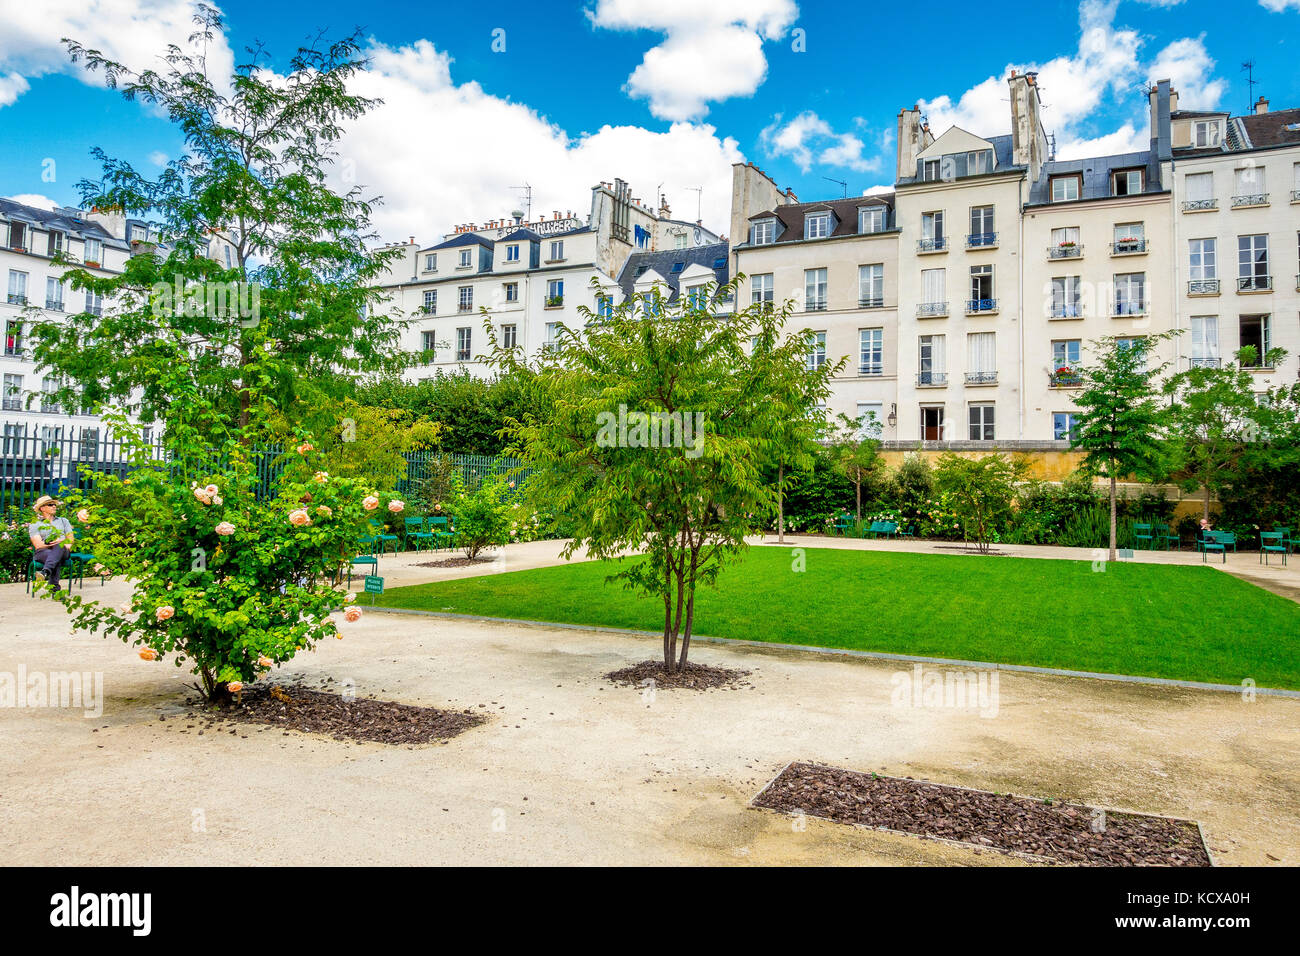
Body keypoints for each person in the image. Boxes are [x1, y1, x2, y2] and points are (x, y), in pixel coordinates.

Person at [28, 495, 74, 591]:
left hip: (63, 550)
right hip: (43, 552)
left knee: (59, 547)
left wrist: (60, 543)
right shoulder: (35, 524)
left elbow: (70, 540)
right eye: (50, 504)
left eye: (54, 504)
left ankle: (45, 572)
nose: (54, 506)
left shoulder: (63, 521)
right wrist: (54, 543)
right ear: (42, 508)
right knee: (55, 557)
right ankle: (54, 588)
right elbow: (38, 545)